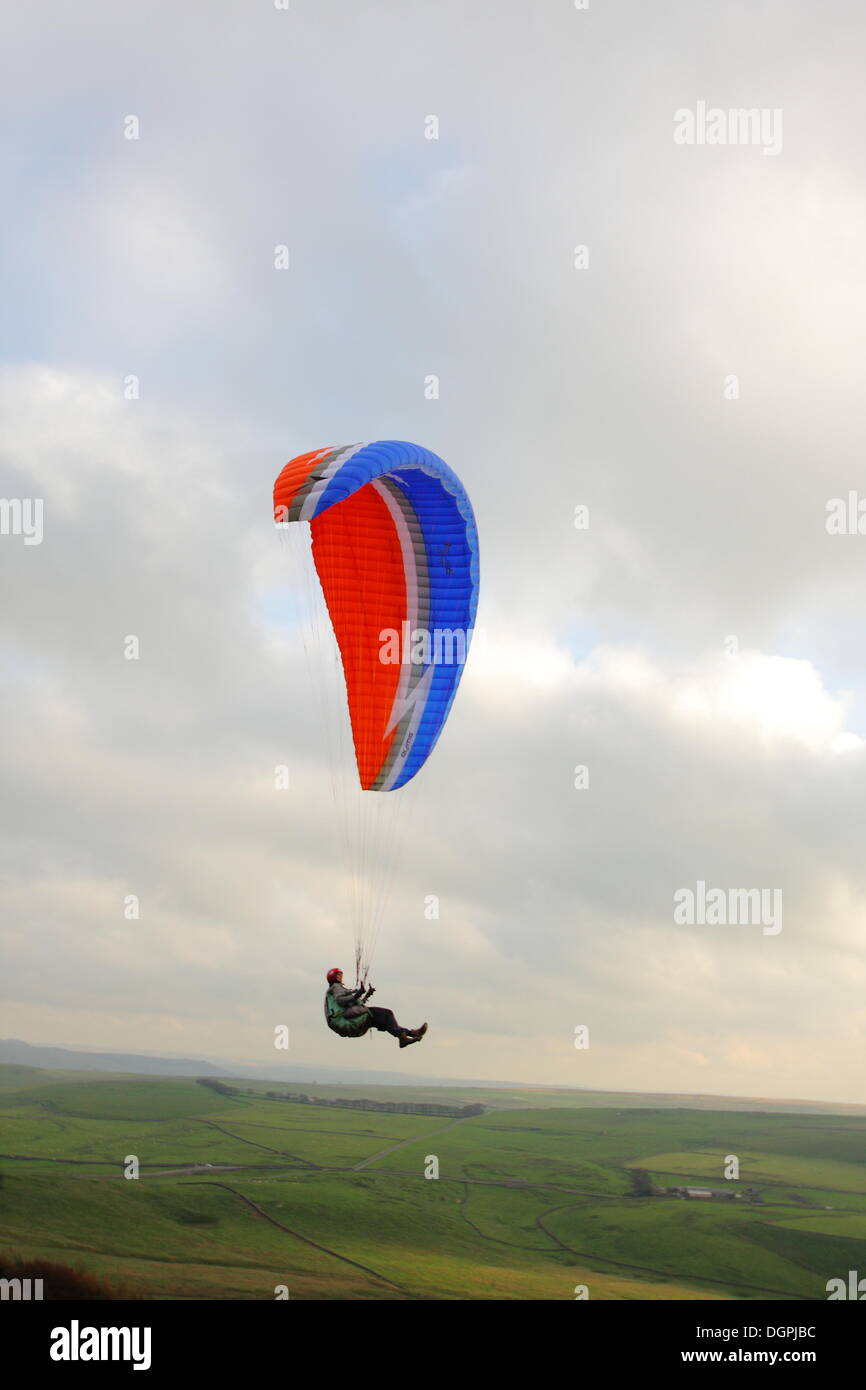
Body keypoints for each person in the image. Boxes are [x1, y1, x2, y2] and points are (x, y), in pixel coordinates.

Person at [324, 968, 428, 1048]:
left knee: (386, 1020)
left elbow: (355, 1005)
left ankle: (409, 1034)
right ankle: (405, 1036)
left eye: (341, 974)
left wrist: (366, 995)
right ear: (334, 977)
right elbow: (340, 1000)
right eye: (338, 975)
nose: (341, 976)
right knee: (387, 1014)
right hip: (350, 1022)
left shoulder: (335, 991)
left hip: (352, 1023)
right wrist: (357, 994)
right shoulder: (336, 987)